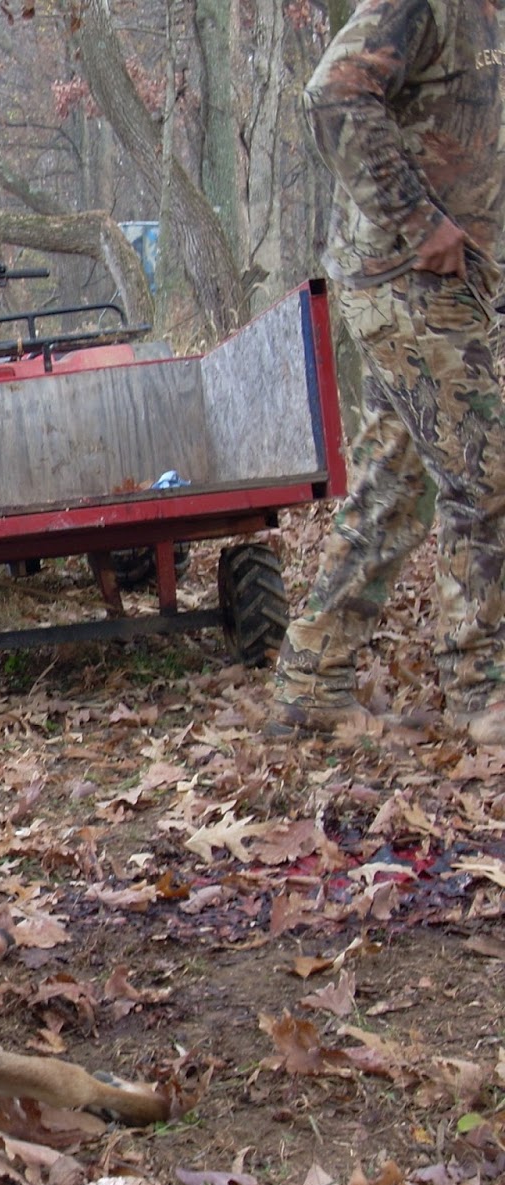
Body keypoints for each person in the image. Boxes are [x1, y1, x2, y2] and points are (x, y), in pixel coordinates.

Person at [268, 0, 505, 743]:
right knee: (487, 474)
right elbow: (332, 91)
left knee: (397, 486)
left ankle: (312, 682)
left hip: (450, 283)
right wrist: (417, 218)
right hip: (408, 279)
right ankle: (482, 690)